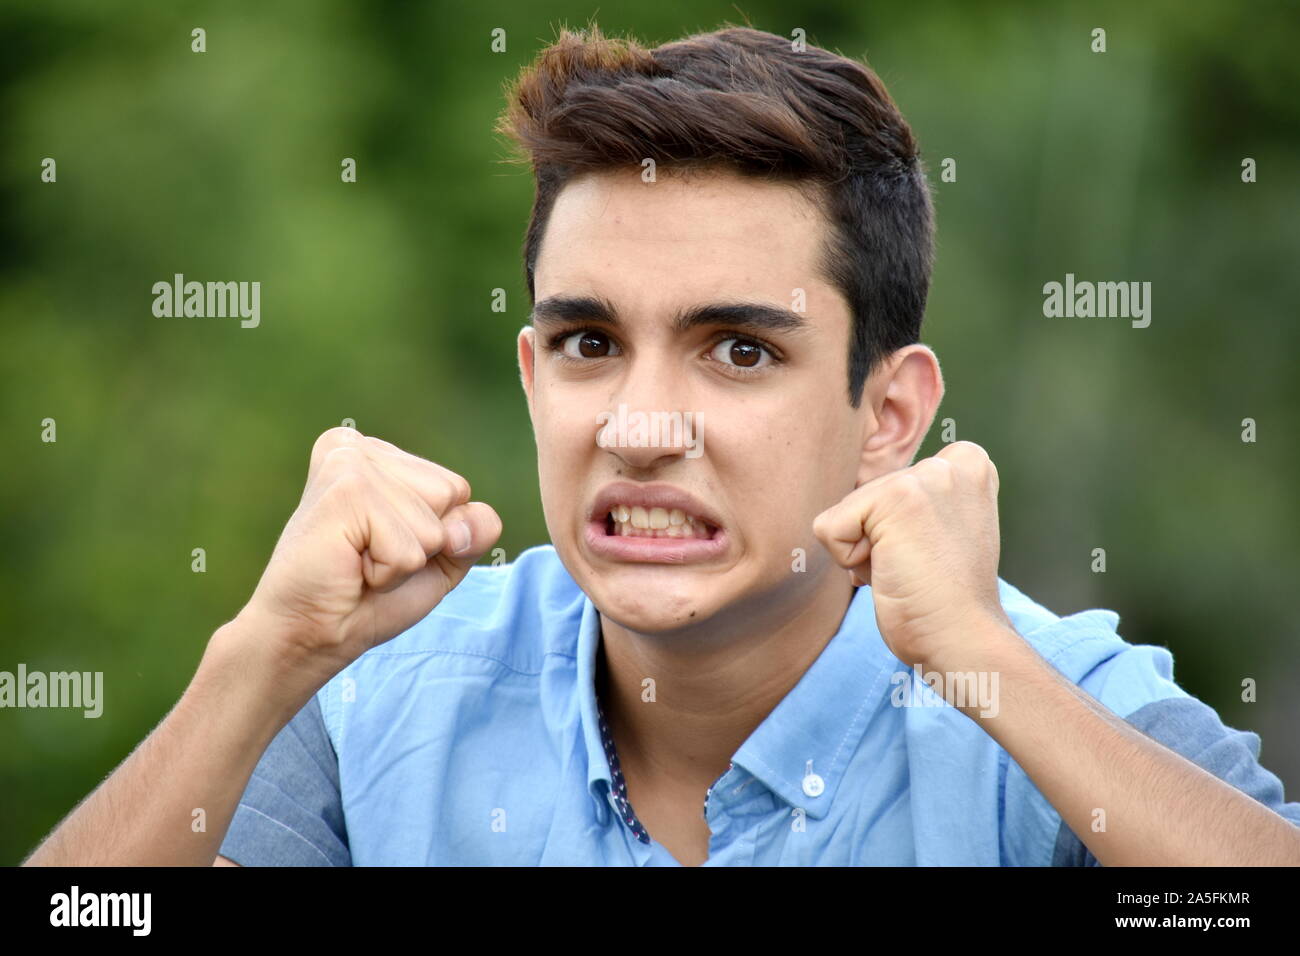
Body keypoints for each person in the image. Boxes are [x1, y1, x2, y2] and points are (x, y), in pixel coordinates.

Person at [24, 24, 1300, 867]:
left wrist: (984, 665)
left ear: (889, 418)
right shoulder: (377, 700)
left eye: (737, 349)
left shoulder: (1043, 702)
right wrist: (257, 658)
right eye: (587, 342)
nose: (638, 425)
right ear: (530, 378)